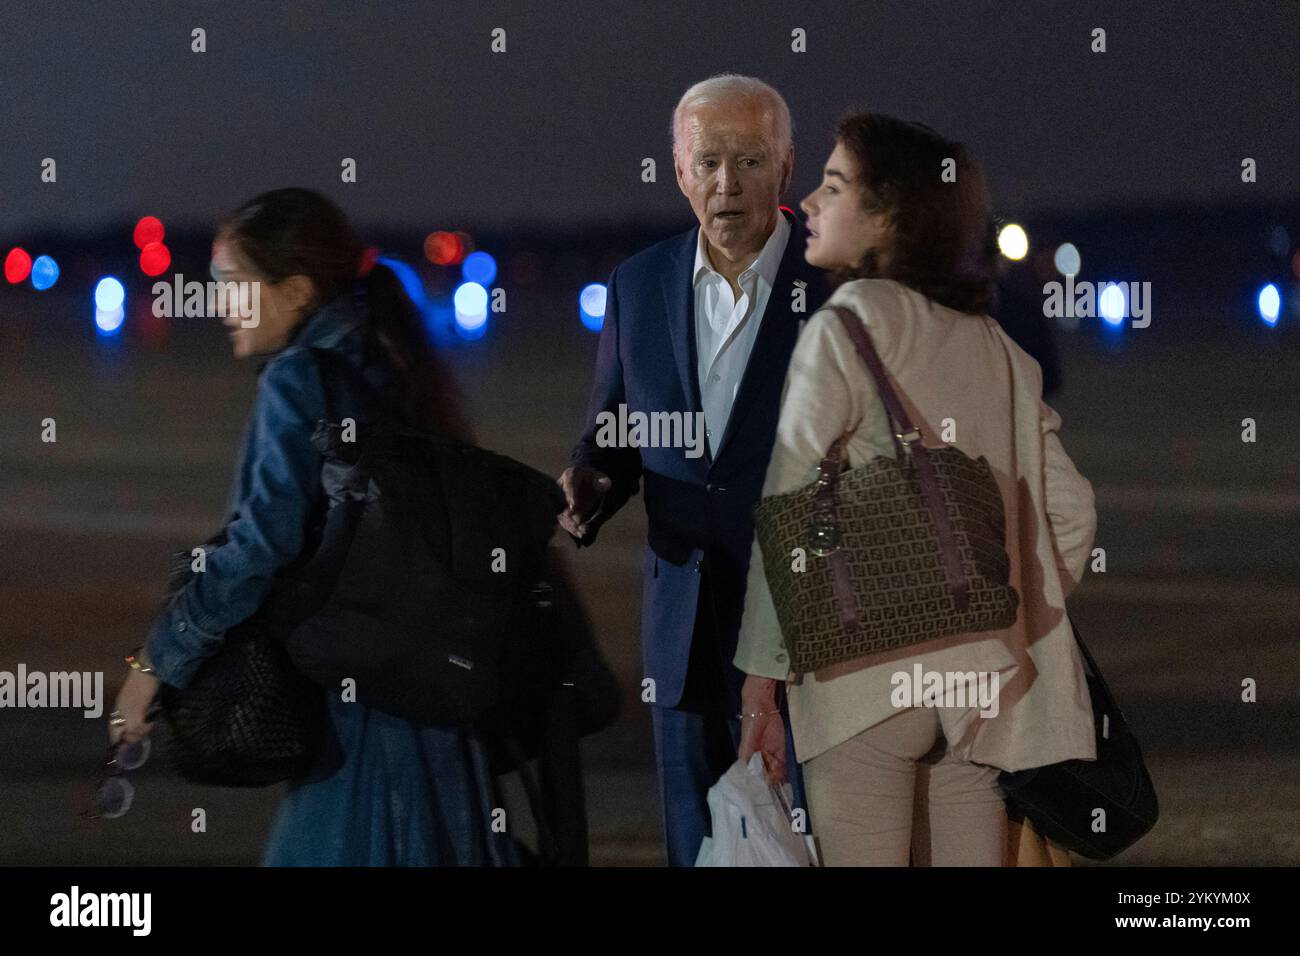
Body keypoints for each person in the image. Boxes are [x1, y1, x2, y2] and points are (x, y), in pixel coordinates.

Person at [107, 187, 516, 866]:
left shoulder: (300, 378)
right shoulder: (383, 362)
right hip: (429, 710)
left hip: (364, 725)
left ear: (294, 292)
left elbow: (263, 543)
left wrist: (156, 664)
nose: (215, 303)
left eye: (231, 283)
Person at [735, 113, 1098, 866]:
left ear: (888, 215)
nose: (807, 202)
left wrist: (762, 684)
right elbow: (1069, 510)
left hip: (861, 679)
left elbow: (787, 513)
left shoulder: (846, 325)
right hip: (980, 683)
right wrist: (1005, 607)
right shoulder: (993, 343)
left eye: (834, 186)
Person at [559, 74, 823, 866]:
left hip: (810, 629)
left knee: (817, 841)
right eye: (707, 160)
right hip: (684, 624)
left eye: (749, 161)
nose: (725, 183)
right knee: (696, 844)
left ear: (787, 167)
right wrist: (592, 481)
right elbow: (613, 427)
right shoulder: (637, 285)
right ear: (676, 168)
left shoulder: (837, 284)